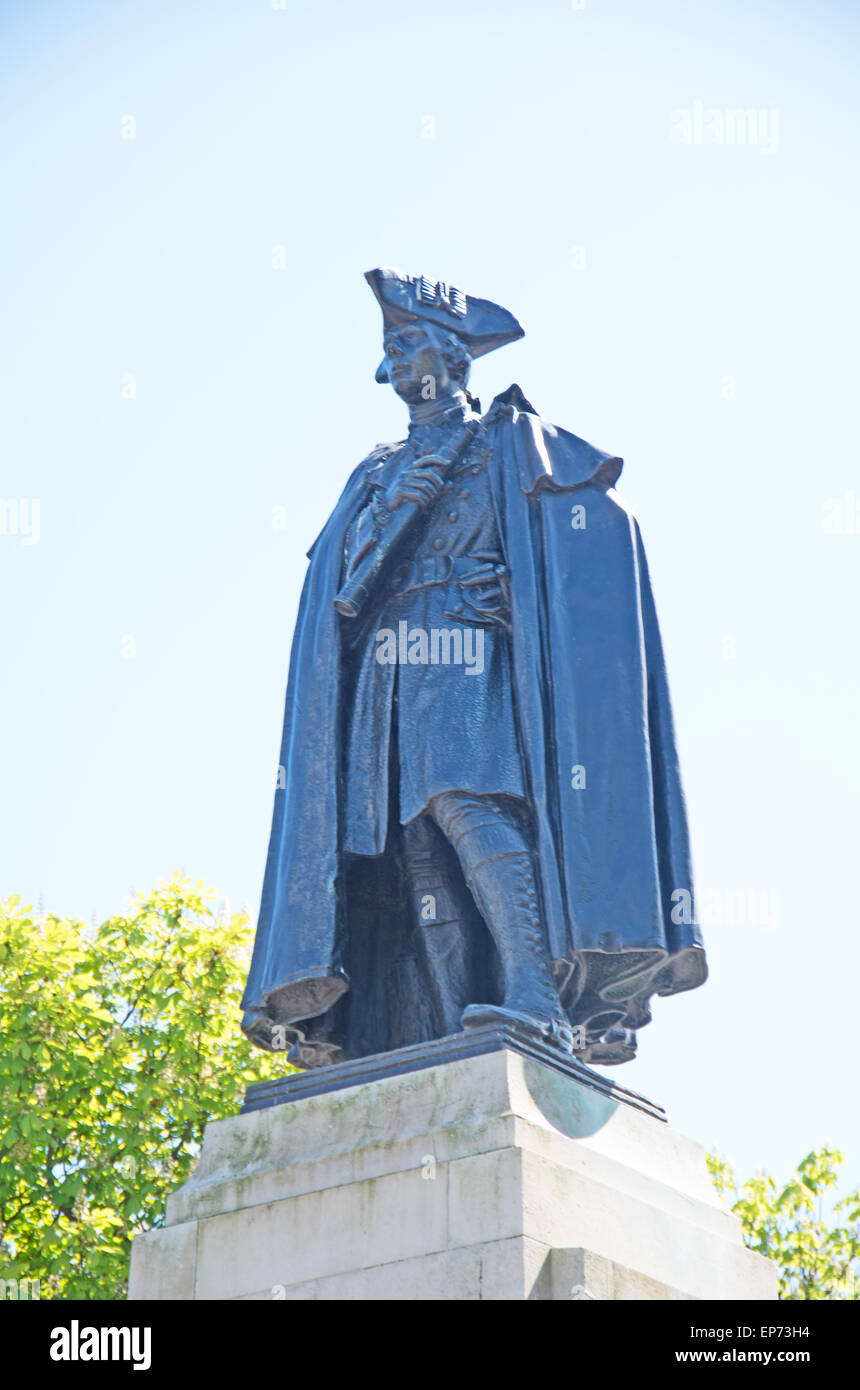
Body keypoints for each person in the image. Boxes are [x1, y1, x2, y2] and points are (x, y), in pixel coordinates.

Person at [241, 268, 707, 1068]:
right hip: (386, 666)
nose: (399, 358)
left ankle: (532, 990)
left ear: (454, 357)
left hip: (463, 645)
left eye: (412, 341)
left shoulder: (508, 440)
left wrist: (517, 596)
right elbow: (335, 584)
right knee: (411, 839)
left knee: (467, 803)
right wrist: (390, 511)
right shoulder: (378, 470)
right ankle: (457, 1020)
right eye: (391, 347)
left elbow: (575, 541)